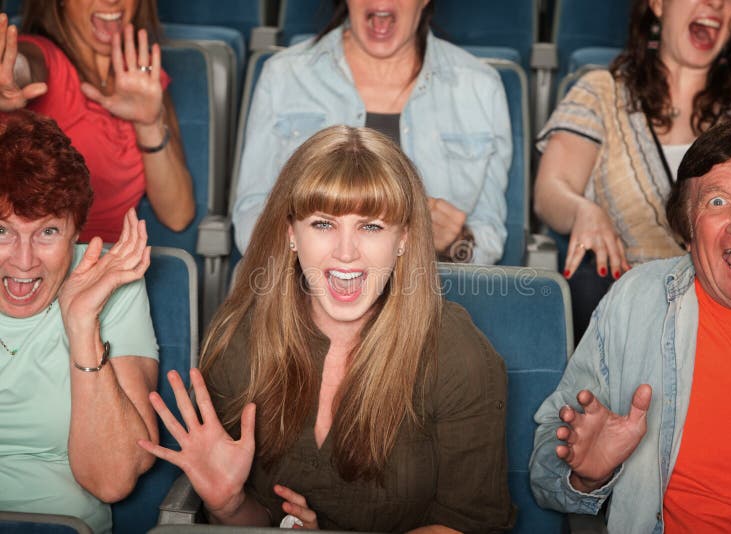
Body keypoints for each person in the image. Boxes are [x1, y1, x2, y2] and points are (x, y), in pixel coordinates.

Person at [140, 126, 516, 532]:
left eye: (370, 226)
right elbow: (256, 521)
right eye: (323, 224)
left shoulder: (458, 354)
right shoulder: (241, 340)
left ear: (404, 237)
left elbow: (466, 526)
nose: (346, 252)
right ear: (291, 233)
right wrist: (229, 505)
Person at [529, 115, 731, 532]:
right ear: (688, 231)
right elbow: (548, 464)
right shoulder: (638, 300)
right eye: (716, 202)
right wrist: (586, 474)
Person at [534, 0, 731, 339]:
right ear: (658, 4)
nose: (715, 3)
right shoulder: (601, 92)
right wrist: (582, 210)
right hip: (626, 305)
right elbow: (550, 190)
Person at [232, 0, 511, 265]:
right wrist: (309, 248)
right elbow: (250, 218)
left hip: (428, 293)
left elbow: (489, 236)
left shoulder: (480, 87)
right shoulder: (283, 75)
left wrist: (455, 243)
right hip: (304, 292)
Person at [0, 110, 159, 533]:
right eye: (3, 231)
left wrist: (82, 324)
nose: (24, 259)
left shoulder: (112, 283)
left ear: (77, 233)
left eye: (48, 232)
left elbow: (113, 479)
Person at [0, 0, 194, 243]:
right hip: (37, 266)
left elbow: (179, 215)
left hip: (111, 266)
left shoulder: (143, 77)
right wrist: (10, 71)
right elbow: (22, 66)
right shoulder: (41, 55)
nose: (111, 1)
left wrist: (148, 124)